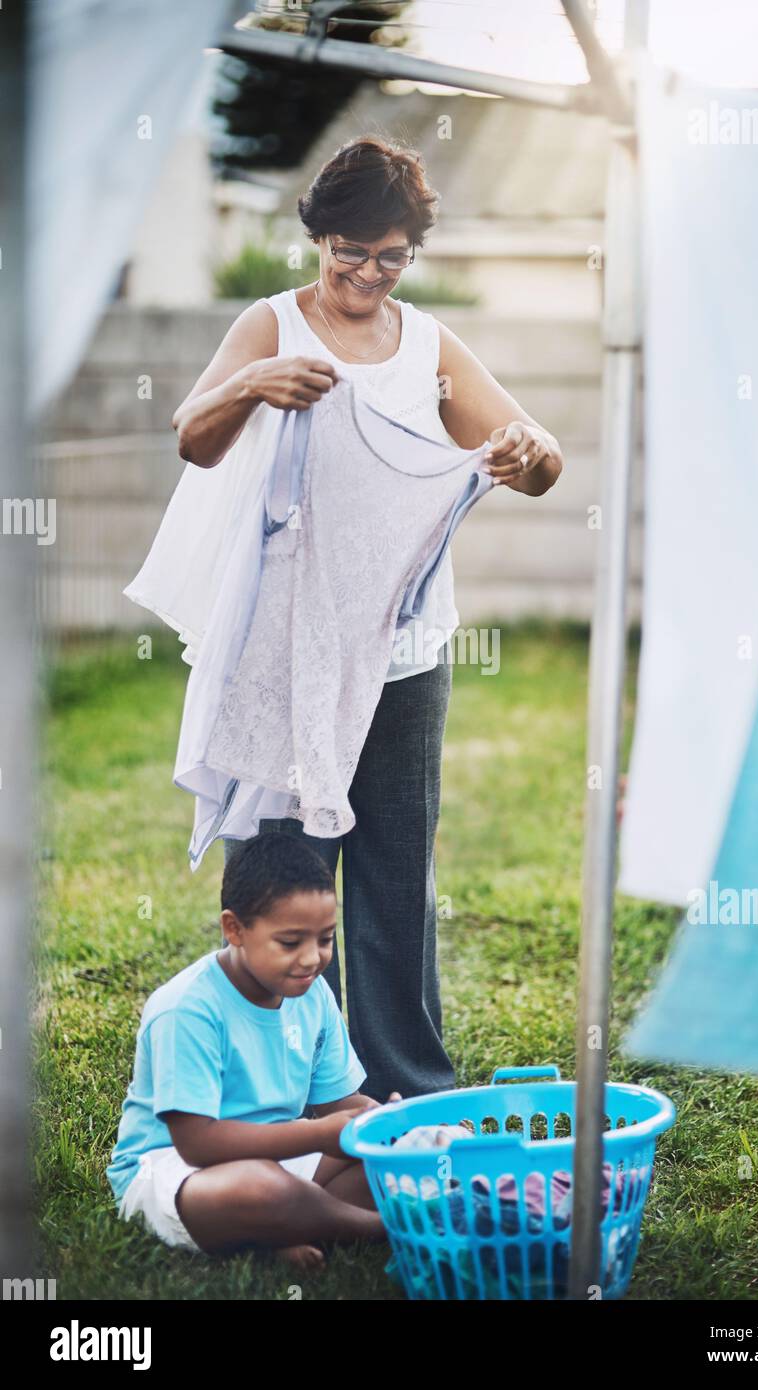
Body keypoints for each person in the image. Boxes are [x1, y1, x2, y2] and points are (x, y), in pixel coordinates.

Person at [171, 134, 565, 1102]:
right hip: (281, 644)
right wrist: (248, 386)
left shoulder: (427, 344)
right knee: (280, 867)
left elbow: (538, 461)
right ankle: (286, 1076)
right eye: (349, 249)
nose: (367, 271)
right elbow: (193, 439)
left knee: (394, 867)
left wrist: (529, 452)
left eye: (390, 255)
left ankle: (403, 1082)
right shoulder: (272, 325)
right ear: (316, 236)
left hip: (399, 649)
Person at [106, 835, 396, 1268]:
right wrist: (319, 1134)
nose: (312, 959)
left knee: (394, 1162)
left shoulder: (312, 994)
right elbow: (197, 1144)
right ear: (234, 929)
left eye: (324, 939)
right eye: (290, 942)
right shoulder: (187, 1008)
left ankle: (282, 1228)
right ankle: (379, 1228)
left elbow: (337, 1104)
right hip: (175, 1171)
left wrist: (381, 1122)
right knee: (261, 1190)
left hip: (278, 1154)